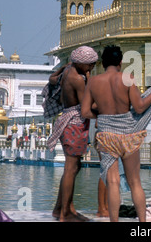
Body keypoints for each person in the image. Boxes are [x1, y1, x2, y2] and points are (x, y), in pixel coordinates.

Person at [81, 45, 151, 222]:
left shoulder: (93, 82)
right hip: (129, 135)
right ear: (120, 62)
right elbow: (139, 107)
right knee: (135, 182)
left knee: (113, 182)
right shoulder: (127, 78)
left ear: (103, 62)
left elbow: (85, 112)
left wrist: (103, 115)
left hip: (107, 136)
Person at [46, 46, 98, 222]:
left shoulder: (68, 70)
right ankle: (65, 214)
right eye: (90, 65)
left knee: (75, 167)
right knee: (71, 168)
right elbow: (86, 105)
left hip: (69, 120)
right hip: (74, 123)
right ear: (81, 63)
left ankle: (60, 207)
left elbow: (53, 78)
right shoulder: (77, 78)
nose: (91, 68)